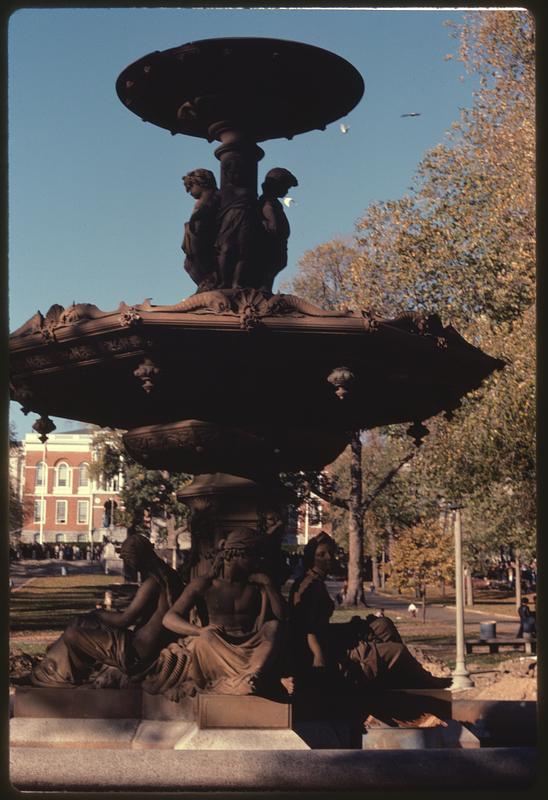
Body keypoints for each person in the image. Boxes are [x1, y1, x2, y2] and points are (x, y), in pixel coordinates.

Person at [288, 532, 449, 691]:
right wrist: (318, 655)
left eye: (330, 553)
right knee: (396, 651)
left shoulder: (317, 581)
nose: (328, 557)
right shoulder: (308, 586)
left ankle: (405, 679)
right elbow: (306, 627)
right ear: (311, 558)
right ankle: (419, 681)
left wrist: (352, 625)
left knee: (383, 624)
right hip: (327, 648)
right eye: (321, 554)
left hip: (330, 636)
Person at [31, 531, 184, 688]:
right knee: (81, 622)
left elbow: (125, 620)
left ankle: (58, 677)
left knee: (73, 634)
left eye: (129, 561)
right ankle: (53, 673)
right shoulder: (168, 577)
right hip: (141, 642)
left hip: (135, 651)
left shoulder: (152, 583)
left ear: (137, 559)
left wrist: (97, 614)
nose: (130, 566)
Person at [158, 527, 291, 698]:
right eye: (254, 557)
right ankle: (243, 681)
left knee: (274, 627)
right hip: (216, 644)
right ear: (237, 554)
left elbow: (283, 616)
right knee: (204, 639)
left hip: (251, 647)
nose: (258, 563)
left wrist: (269, 585)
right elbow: (169, 618)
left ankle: (250, 677)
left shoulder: (257, 586)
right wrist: (199, 630)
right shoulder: (205, 584)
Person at [257, 168, 298, 291]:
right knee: (269, 272)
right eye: (285, 188)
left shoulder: (272, 203)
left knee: (273, 270)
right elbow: (273, 225)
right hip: (273, 246)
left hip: (277, 245)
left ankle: (266, 290)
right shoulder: (268, 204)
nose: (286, 191)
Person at [181, 168, 221, 291]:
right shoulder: (204, 200)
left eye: (191, 187)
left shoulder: (213, 197)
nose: (190, 192)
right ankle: (206, 283)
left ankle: (209, 282)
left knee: (195, 264)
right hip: (197, 239)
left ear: (201, 183)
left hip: (206, 240)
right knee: (189, 265)